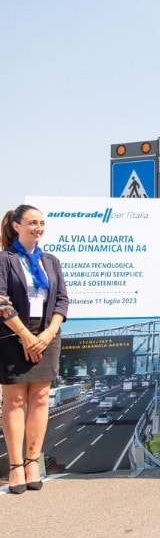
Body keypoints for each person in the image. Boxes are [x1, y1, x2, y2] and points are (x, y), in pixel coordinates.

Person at [0, 205, 69, 494]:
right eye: (31, 222)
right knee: (15, 401)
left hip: (47, 334)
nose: (38, 228)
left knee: (40, 399)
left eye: (41, 223)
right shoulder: (5, 260)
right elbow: (2, 301)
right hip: (12, 333)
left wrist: (49, 332)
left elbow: (62, 300)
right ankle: (16, 467)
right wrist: (27, 337)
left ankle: (32, 462)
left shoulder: (51, 261)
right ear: (17, 226)